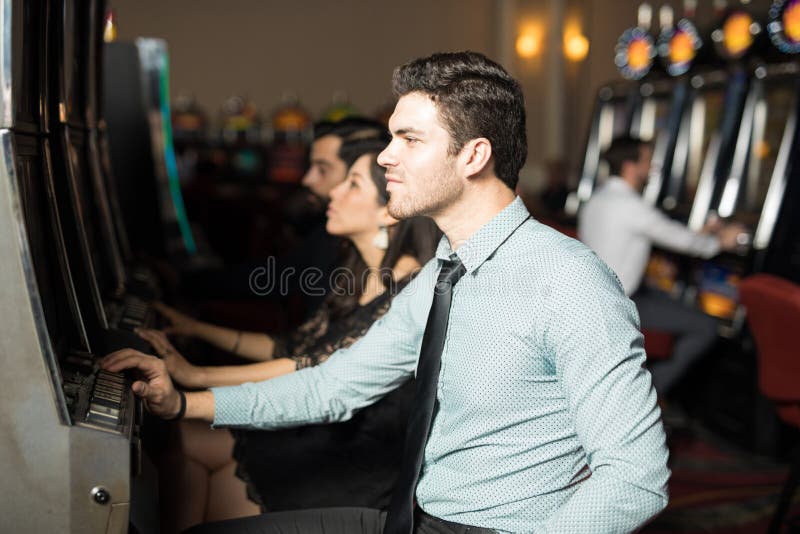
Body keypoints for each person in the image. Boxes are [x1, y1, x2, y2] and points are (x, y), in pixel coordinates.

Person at [104, 51, 670, 533]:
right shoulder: (443, 273)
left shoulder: (567, 279)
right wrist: (186, 403)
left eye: (409, 139)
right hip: (414, 514)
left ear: (473, 155)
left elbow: (636, 477)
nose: (382, 155)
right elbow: (333, 384)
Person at [143, 140, 440, 533]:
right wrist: (196, 332)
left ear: (388, 211)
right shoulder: (358, 269)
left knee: (188, 442)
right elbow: (295, 346)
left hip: (351, 454)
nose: (331, 191)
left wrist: (193, 380)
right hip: (327, 426)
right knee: (184, 447)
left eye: (351, 184)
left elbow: (314, 373)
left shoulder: (408, 287)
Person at [578, 135, 745, 396]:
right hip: (622, 304)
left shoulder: (597, 200)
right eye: (647, 161)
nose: (653, 167)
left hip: (595, 299)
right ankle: (643, 397)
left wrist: (699, 234)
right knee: (707, 327)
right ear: (630, 167)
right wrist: (720, 242)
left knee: (674, 300)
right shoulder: (630, 205)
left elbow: (663, 233)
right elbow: (683, 241)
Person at [179, 117, 387, 315]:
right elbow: (276, 275)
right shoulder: (327, 234)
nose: (308, 180)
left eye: (322, 170)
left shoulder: (387, 263)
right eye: (310, 167)